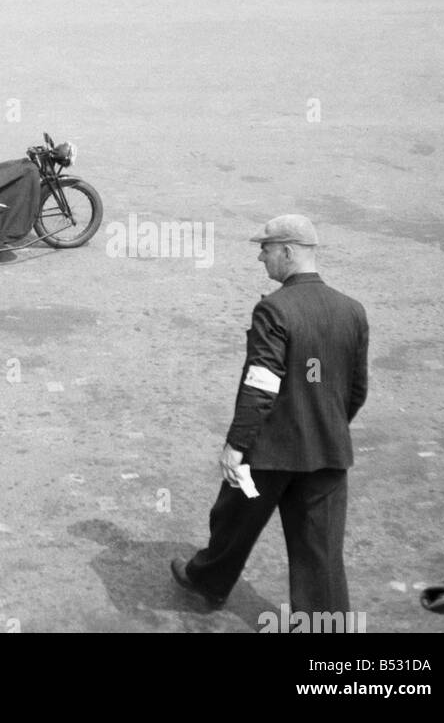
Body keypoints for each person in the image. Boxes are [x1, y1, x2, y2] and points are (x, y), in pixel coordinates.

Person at [171, 215, 368, 616]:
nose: (261, 257)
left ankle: (208, 581)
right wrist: (325, 426)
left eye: (266, 249)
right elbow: (356, 389)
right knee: (321, 556)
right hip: (328, 452)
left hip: (269, 453)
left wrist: (236, 445)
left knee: (233, 518)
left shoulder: (274, 309)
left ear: (288, 252)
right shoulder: (352, 310)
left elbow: (261, 385)